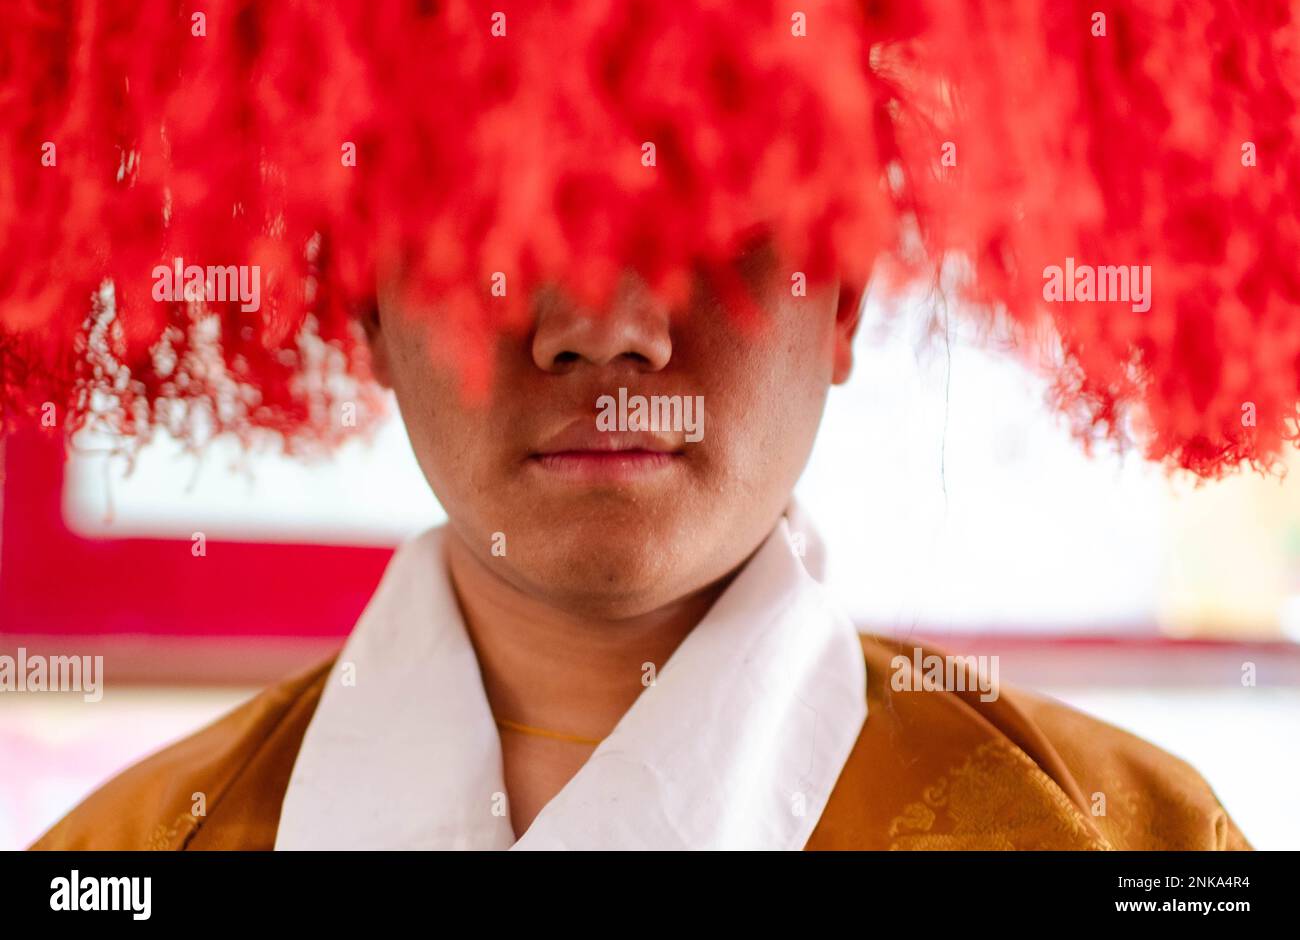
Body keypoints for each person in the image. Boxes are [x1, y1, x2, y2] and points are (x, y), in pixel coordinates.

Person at [31, 250, 1250, 850]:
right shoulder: (116, 858)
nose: (599, 327)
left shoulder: (1132, 840)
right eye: (493, 221)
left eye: (706, 216)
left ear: (843, 301)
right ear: (365, 306)